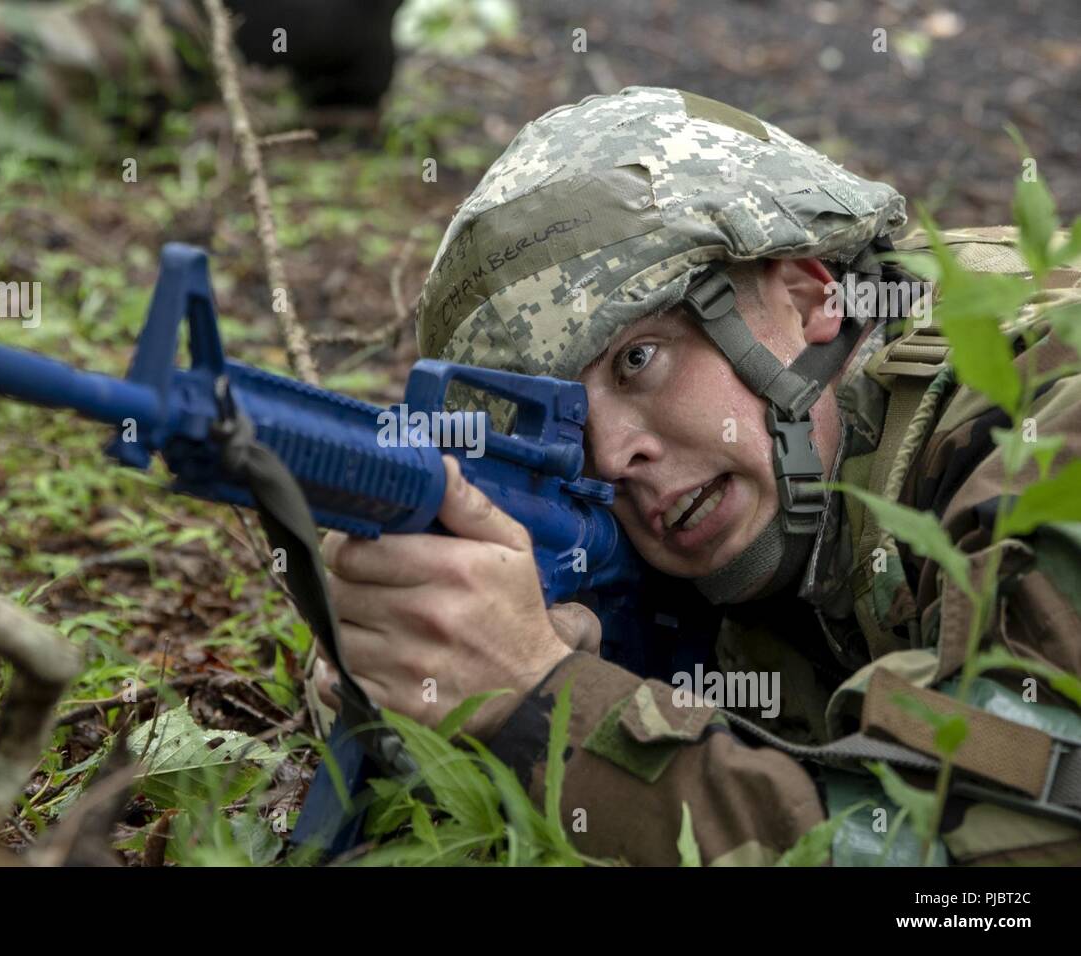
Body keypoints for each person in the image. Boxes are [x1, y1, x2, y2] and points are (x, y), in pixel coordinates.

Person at [311, 86, 1081, 865]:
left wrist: (546, 701)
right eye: (567, 425)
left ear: (806, 292)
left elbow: (992, 877)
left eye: (639, 359)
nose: (611, 458)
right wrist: (436, 673)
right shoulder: (779, 512)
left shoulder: (1041, 429)